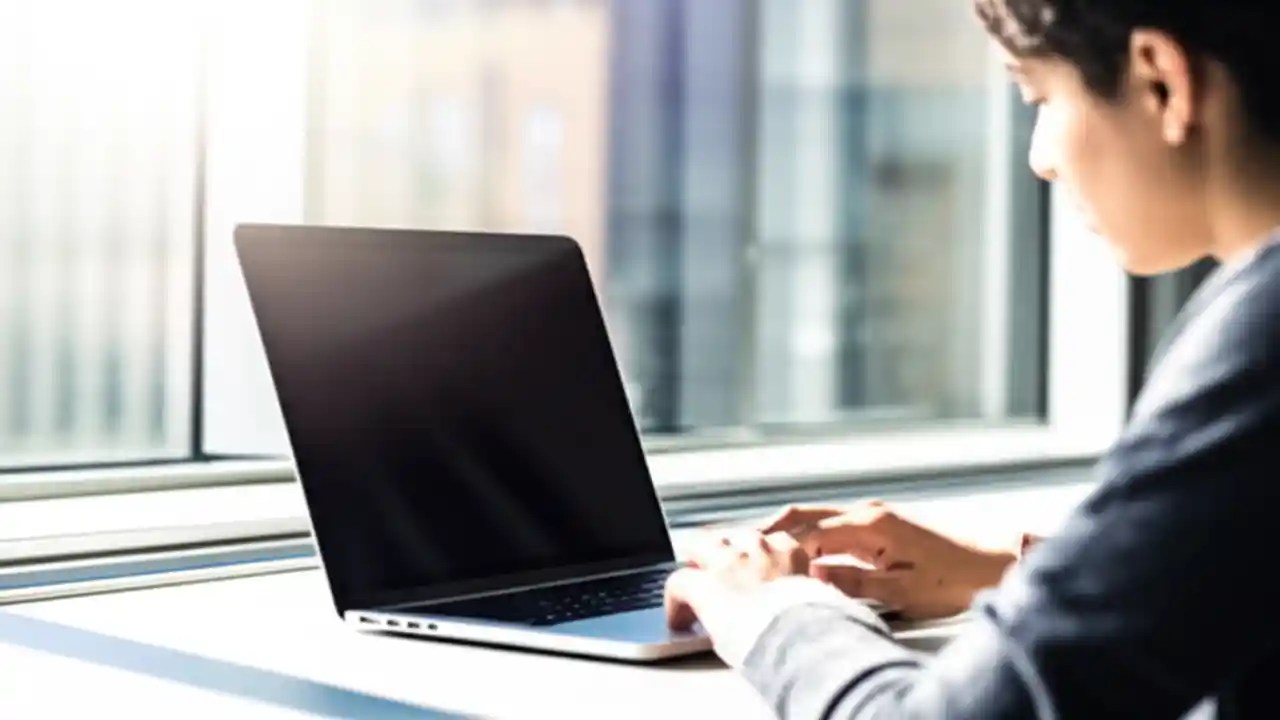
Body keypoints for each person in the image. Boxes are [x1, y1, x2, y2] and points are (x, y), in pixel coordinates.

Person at [662, 0, 1280, 717]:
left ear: (1161, 82)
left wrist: (774, 613)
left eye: (1041, 98)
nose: (1038, 159)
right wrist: (1017, 576)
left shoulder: (1261, 341)